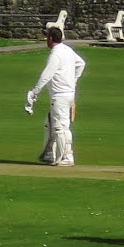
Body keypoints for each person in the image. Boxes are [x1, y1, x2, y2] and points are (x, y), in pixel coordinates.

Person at [25, 25, 87, 166]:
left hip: (60, 95)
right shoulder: (67, 50)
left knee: (61, 126)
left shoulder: (56, 54)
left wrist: (34, 92)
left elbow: (46, 75)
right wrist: (74, 80)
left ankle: (67, 156)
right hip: (67, 94)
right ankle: (49, 154)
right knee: (51, 124)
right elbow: (81, 64)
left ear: (50, 39)